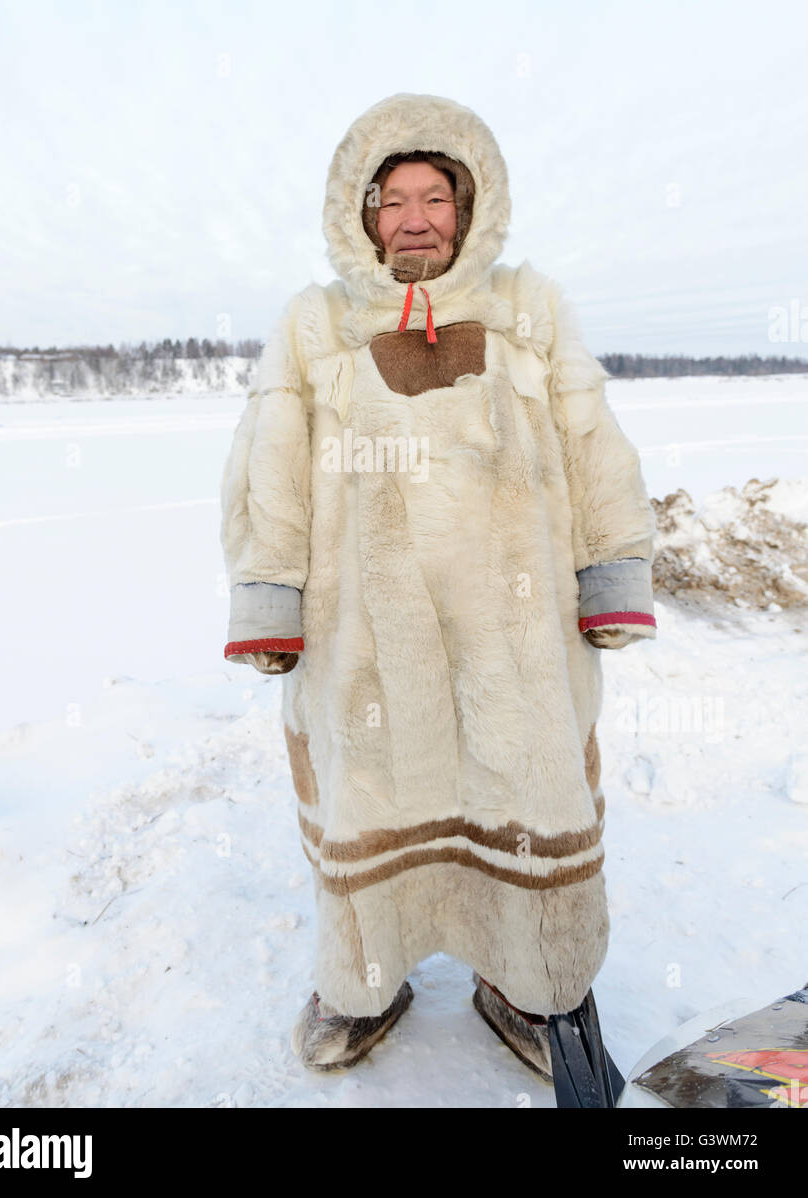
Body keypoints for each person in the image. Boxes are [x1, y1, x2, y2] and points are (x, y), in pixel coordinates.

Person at [219, 92, 657, 1079]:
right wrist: (269, 595)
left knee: (530, 786)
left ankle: (530, 984)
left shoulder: (528, 307)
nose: (415, 218)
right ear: (360, 212)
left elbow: (591, 436)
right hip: (367, 635)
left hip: (520, 628)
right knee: (370, 795)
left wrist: (612, 569)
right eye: (394, 199)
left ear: (470, 207)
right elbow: (270, 460)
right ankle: (362, 981)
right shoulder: (313, 322)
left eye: (435, 197)